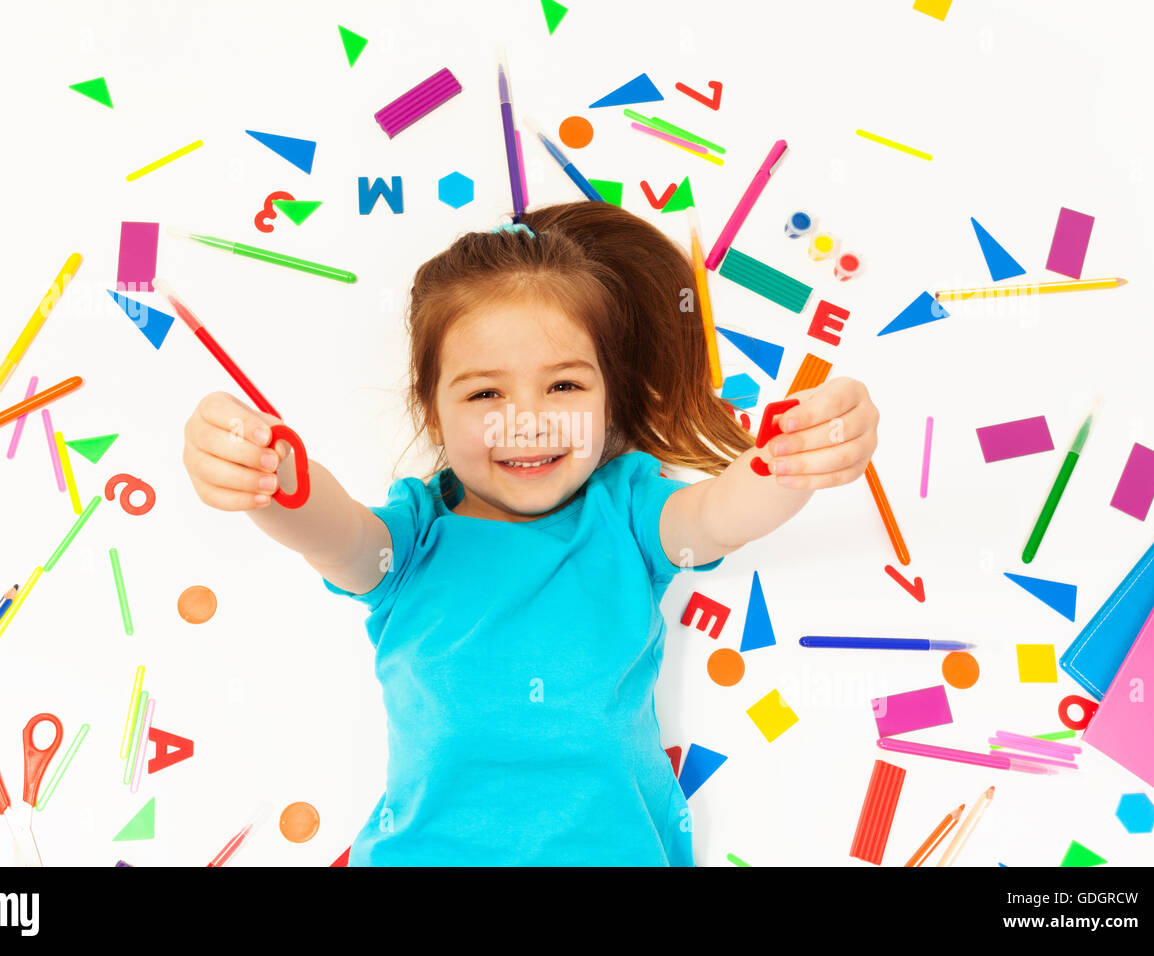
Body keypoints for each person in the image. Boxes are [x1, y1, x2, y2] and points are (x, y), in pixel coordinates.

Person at [181, 201, 879, 865]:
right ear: (432, 411)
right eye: (486, 394)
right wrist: (268, 476)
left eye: (565, 387)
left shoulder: (629, 515)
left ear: (609, 401)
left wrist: (792, 461)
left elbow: (720, 515)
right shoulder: (412, 542)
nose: (528, 421)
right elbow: (334, 531)